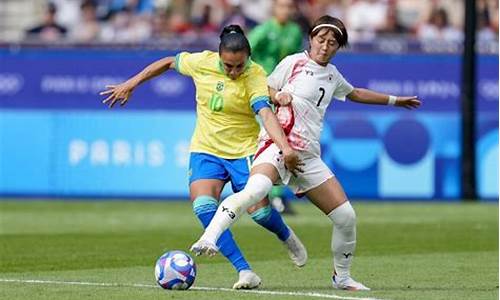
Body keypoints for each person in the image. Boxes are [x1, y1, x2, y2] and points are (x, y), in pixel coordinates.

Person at [191, 15, 421, 291]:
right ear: (311, 39)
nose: (325, 46)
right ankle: (209, 238)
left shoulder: (333, 75)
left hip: (307, 156)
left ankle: (342, 277)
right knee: (255, 192)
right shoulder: (293, 62)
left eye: (332, 42)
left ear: (338, 48)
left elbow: (355, 93)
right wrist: (277, 96)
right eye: (321, 39)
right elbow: (263, 85)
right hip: (278, 145)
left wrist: (395, 101)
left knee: (346, 217)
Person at [100, 24, 307, 290]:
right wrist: (131, 83)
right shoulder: (202, 62)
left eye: (238, 66)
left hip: (243, 151)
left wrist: (285, 148)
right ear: (219, 56)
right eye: (228, 65)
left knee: (260, 213)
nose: (233, 72)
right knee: (203, 208)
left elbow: (264, 112)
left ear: (248, 59)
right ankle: (244, 271)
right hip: (205, 149)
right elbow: (167, 62)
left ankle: (285, 235)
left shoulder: (255, 74)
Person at [249, 0, 304, 214]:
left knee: (284, 141)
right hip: (264, 91)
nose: (286, 10)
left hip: (285, 93)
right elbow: (244, 55)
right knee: (271, 140)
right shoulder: (263, 31)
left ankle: (276, 194)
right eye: (282, 6)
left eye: (290, 7)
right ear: (274, 9)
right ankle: (273, 196)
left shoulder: (295, 31)